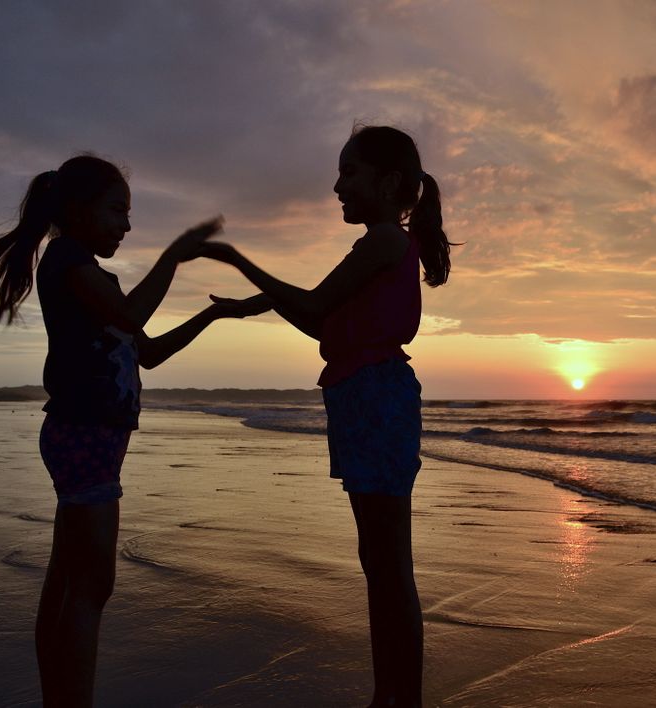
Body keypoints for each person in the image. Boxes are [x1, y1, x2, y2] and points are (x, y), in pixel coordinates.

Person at [0, 154, 261, 707]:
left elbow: (150, 352)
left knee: (69, 580)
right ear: (77, 209)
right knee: (91, 587)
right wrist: (175, 255)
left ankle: (56, 697)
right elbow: (134, 314)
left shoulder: (87, 274)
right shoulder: (68, 260)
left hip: (86, 440)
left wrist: (215, 316)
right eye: (117, 210)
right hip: (84, 438)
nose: (127, 225)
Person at [204, 125, 454, 707]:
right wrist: (260, 303)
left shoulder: (385, 241)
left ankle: (401, 699)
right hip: (361, 396)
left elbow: (316, 303)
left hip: (376, 398)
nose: (337, 186)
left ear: (388, 182)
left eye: (349, 173)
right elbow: (322, 318)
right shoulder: (383, 243)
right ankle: (389, 694)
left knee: (389, 564)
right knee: (379, 561)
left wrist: (241, 263)